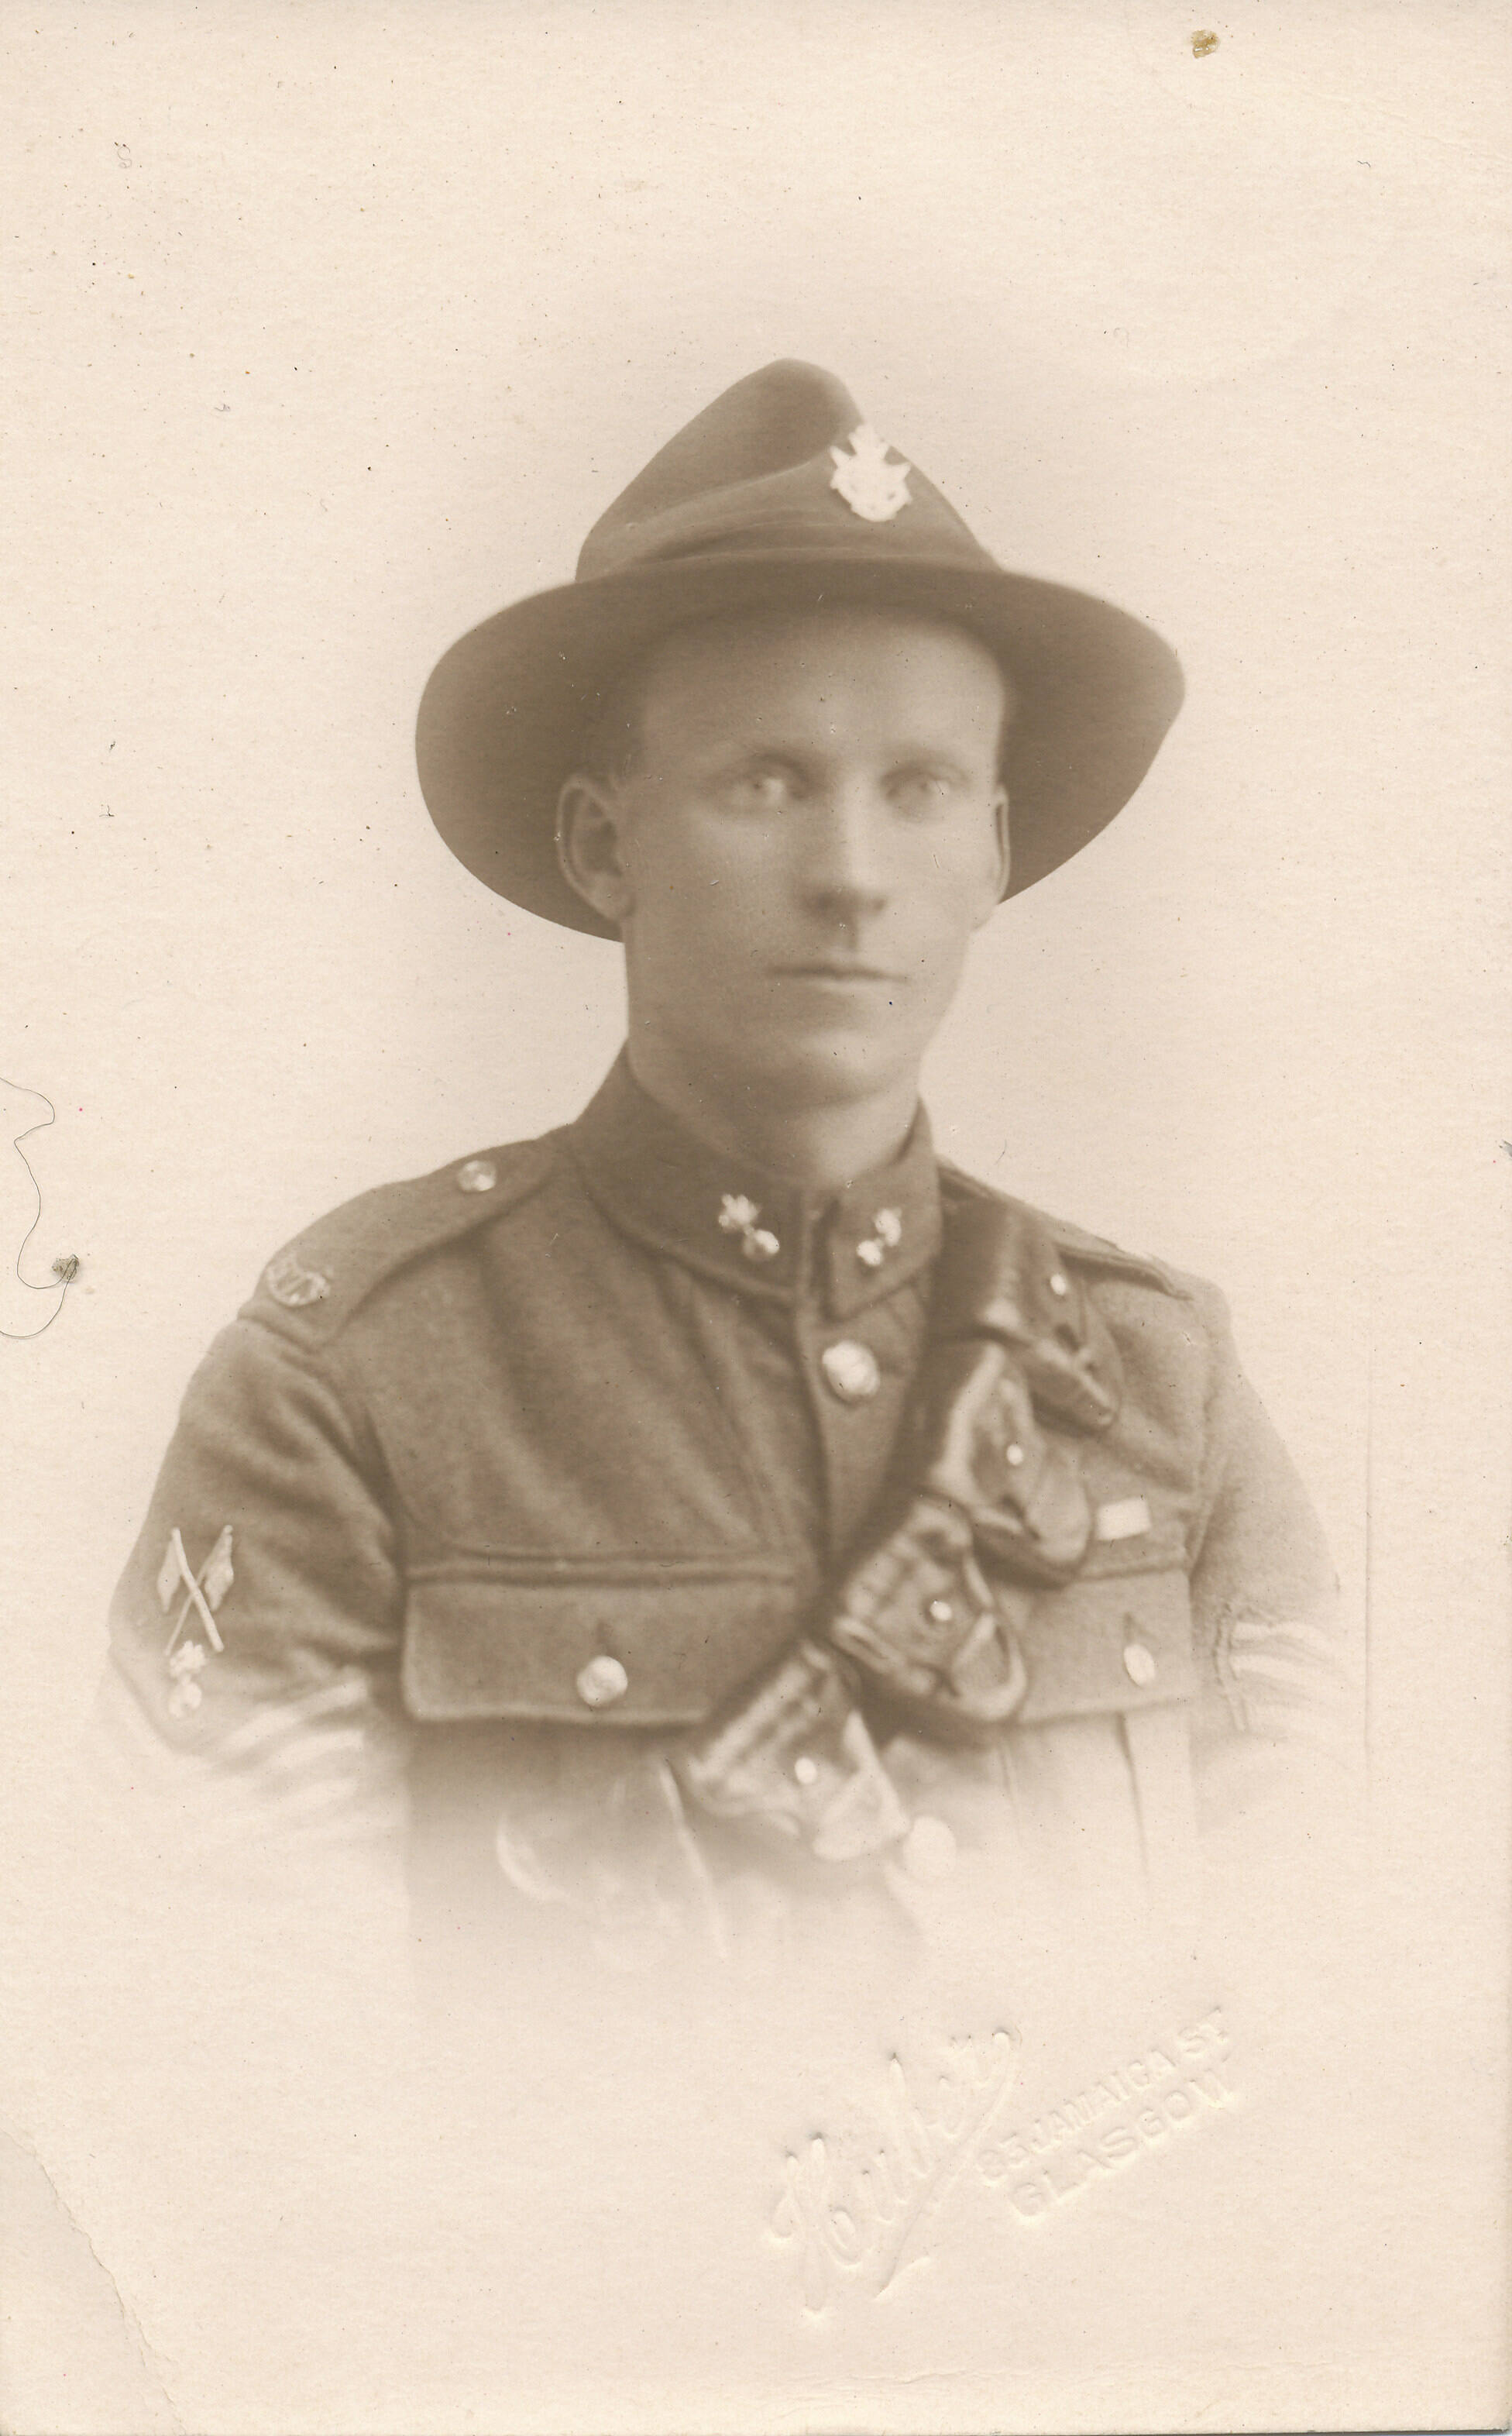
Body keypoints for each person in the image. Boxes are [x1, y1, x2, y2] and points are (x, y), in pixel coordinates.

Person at [94, 362, 1347, 2000]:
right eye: (765, 780)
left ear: (991, 849)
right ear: (604, 846)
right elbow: (224, 2048)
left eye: (916, 790)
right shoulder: (357, 1381)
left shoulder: (1160, 1380)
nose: (848, 875)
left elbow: (1319, 2003)